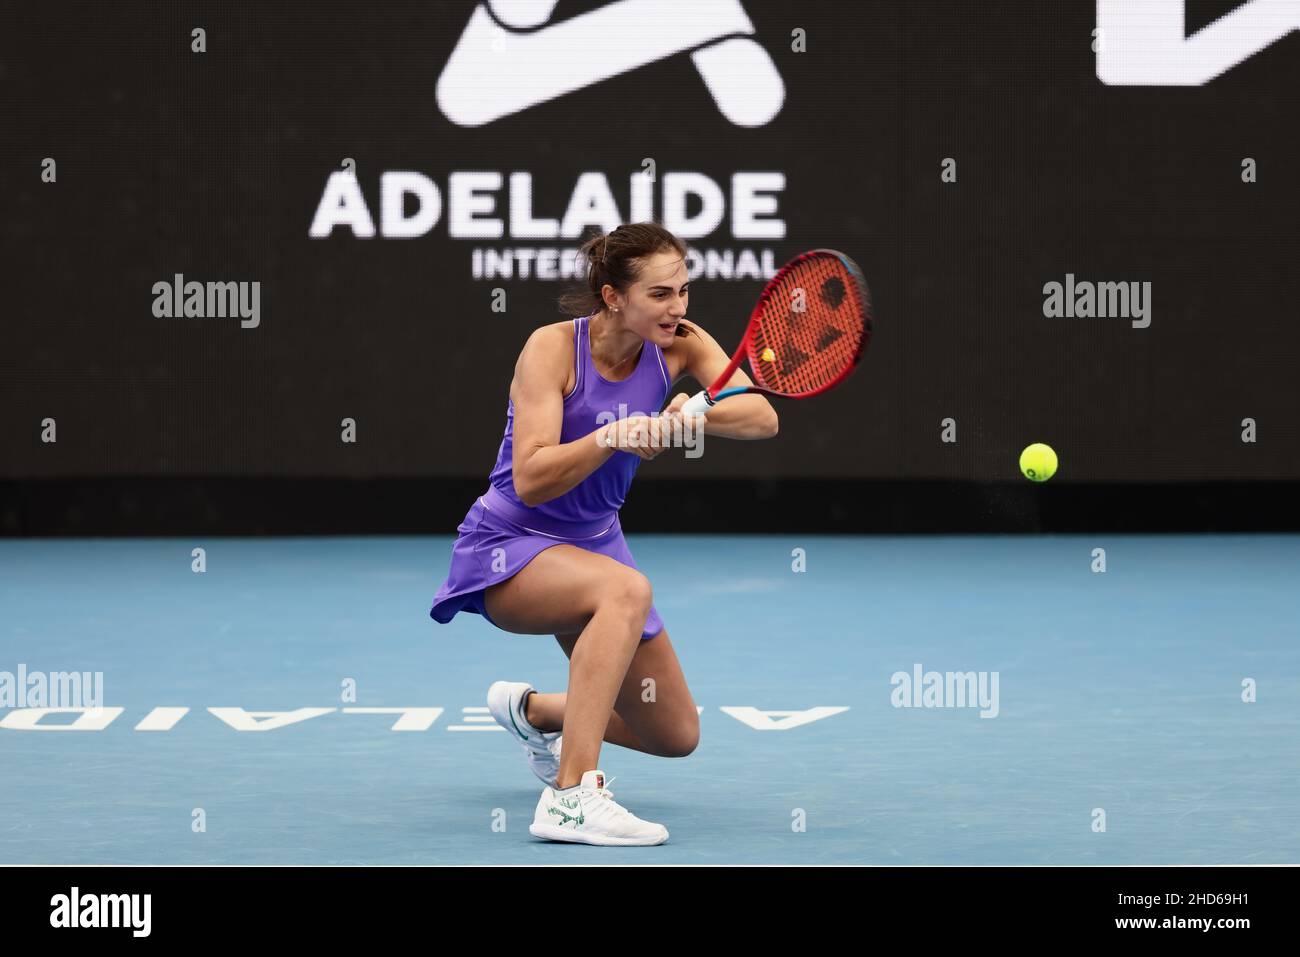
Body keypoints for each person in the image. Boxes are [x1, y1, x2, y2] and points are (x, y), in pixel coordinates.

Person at [430, 222, 779, 845]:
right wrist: (610, 435)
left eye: (684, 291)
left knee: (675, 734)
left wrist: (690, 419)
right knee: (626, 591)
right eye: (661, 294)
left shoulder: (682, 344)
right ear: (614, 296)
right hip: (512, 546)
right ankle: (570, 799)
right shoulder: (552, 348)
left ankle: (532, 712)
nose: (678, 308)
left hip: (595, 545)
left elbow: (761, 416)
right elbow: (533, 478)